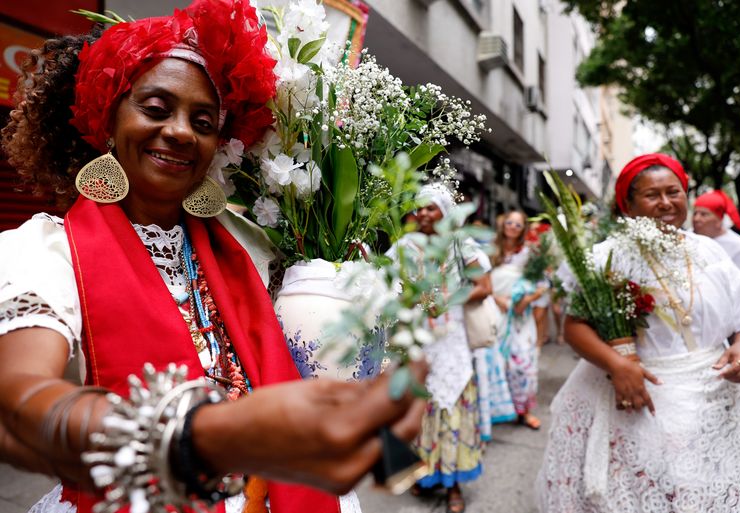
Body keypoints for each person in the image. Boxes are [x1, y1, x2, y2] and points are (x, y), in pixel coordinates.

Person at [0, 2, 425, 513]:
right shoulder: (46, 249)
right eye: (156, 109)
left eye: (203, 122)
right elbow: (19, 404)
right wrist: (198, 436)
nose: (181, 131)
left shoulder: (249, 245)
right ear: (108, 120)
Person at [537, 153, 740, 512]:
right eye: (652, 195)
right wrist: (618, 365)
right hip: (640, 400)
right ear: (628, 205)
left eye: (673, 192)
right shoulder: (607, 257)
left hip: (719, 402)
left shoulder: (709, 251)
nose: (665, 203)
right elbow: (574, 326)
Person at [396, 184, 489, 513]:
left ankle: (454, 485)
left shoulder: (461, 243)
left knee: (453, 408)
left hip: (452, 340)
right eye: (419, 207)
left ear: (445, 212)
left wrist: (448, 300)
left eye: (431, 207)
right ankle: (424, 474)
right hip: (420, 339)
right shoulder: (405, 246)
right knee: (421, 409)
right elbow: (392, 286)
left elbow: (484, 286)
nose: (423, 213)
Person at [491, 210, 546, 430]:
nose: (513, 227)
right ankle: (500, 408)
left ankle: (525, 410)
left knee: (523, 362)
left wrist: (525, 300)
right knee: (496, 361)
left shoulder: (529, 253)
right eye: (510, 222)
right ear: (503, 223)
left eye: (518, 224)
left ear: (523, 229)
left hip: (520, 317)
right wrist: (496, 299)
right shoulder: (491, 250)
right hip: (494, 312)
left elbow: (542, 285)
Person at [692, 190, 740, 290]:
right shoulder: (687, 237)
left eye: (703, 214)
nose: (696, 219)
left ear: (719, 219)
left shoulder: (739, 246)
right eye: (695, 213)